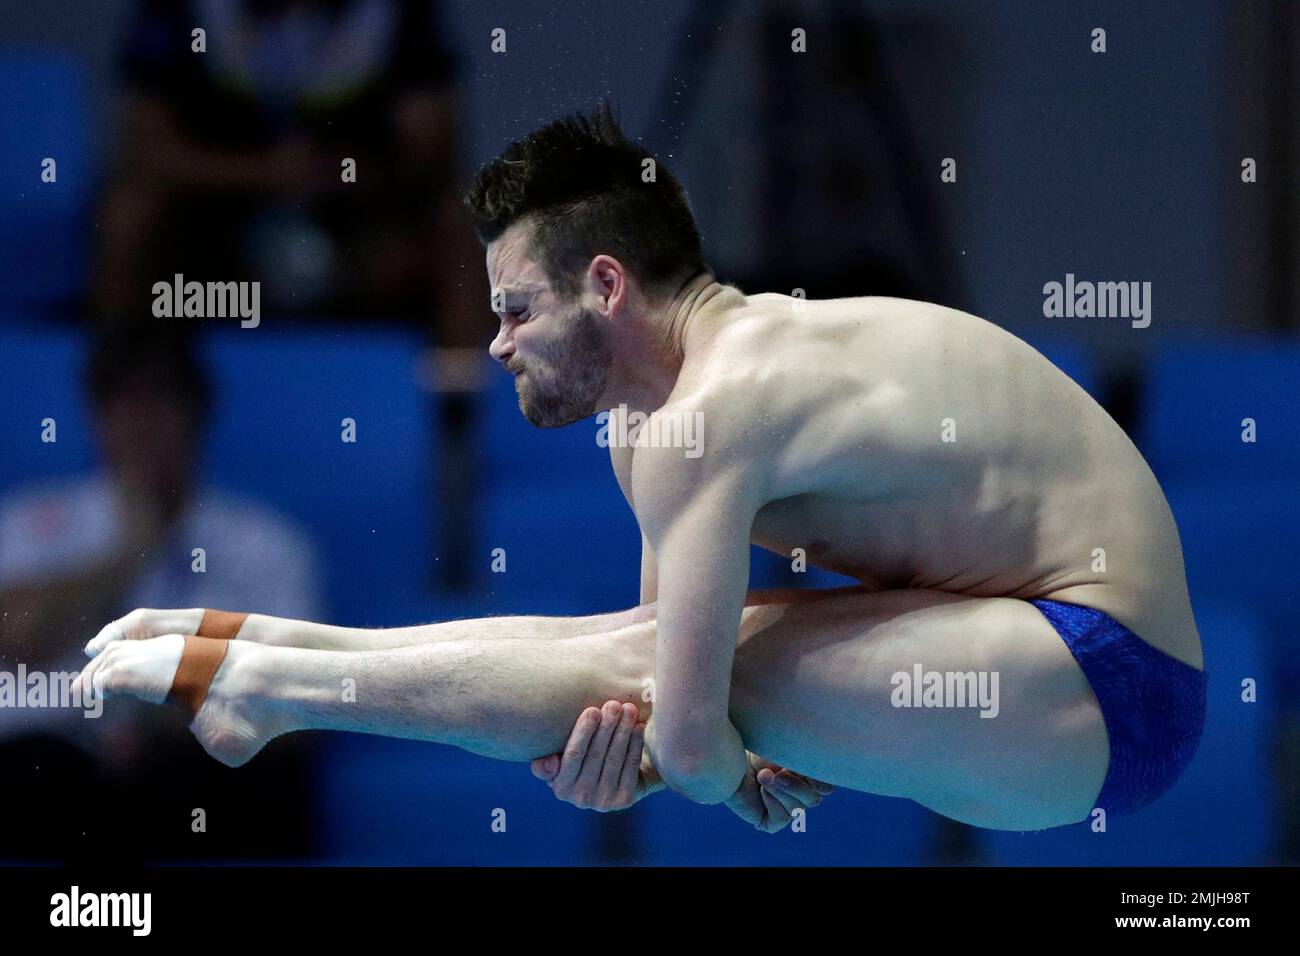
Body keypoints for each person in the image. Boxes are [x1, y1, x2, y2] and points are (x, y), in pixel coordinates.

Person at [77, 104, 1205, 834]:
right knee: (625, 654)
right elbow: (650, 687)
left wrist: (700, 762)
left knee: (658, 671)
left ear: (607, 286)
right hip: (1018, 638)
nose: (498, 343)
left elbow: (679, 728)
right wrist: (676, 751)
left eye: (516, 308)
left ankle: (281, 687)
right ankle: (259, 655)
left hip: (1115, 678)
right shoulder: (654, 420)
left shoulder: (713, 410)